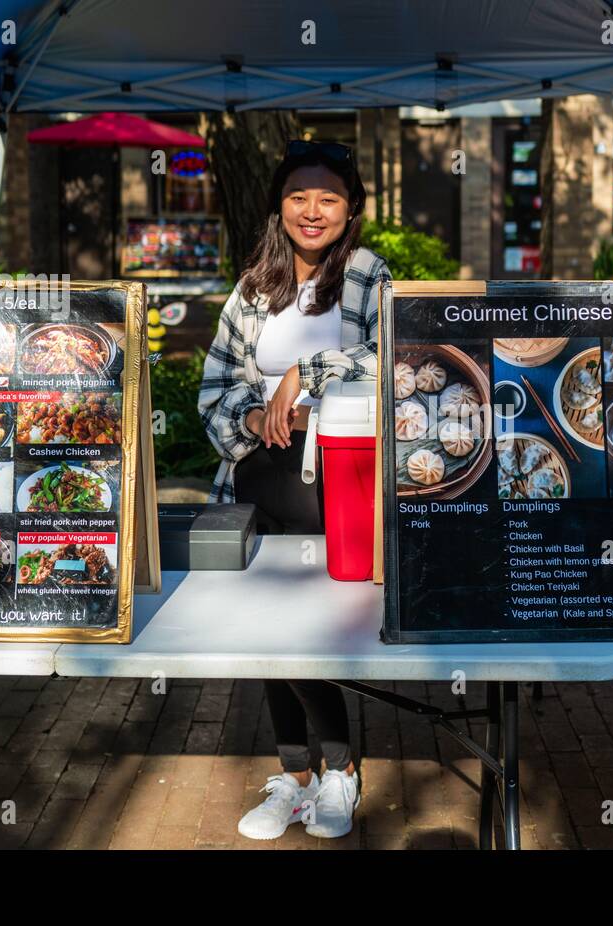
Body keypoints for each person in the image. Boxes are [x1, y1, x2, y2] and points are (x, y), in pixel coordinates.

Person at [198, 140, 390, 840]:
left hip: (332, 485)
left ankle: (339, 769)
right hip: (253, 481)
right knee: (264, 633)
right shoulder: (254, 285)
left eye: (329, 197)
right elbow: (211, 392)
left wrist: (303, 374)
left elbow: (393, 354)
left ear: (351, 209)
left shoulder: (369, 275)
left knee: (311, 630)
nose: (313, 210)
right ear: (279, 204)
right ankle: (297, 775)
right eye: (299, 196)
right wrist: (252, 413)